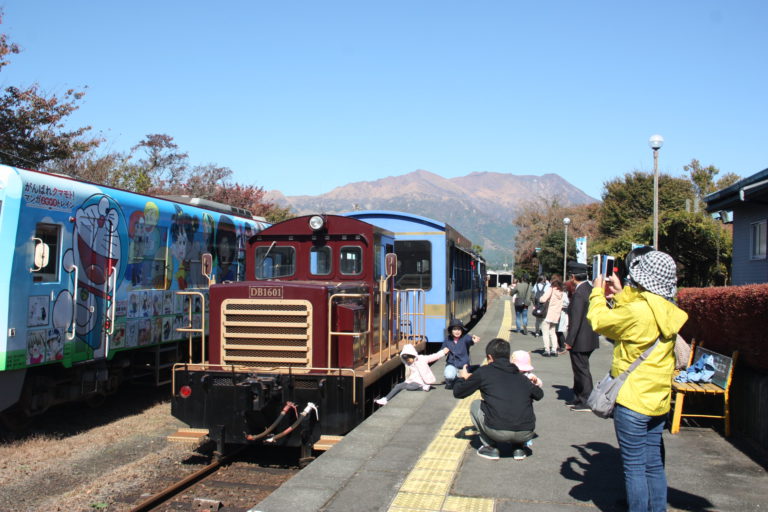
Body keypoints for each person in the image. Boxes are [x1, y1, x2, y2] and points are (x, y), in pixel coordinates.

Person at [587, 250, 688, 512]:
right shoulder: (668, 309)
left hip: (632, 400)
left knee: (633, 469)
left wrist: (598, 292)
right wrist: (622, 293)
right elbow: (638, 310)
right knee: (653, 465)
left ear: (641, 278)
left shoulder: (637, 312)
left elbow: (599, 321)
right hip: (657, 400)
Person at [453, 338, 543, 461]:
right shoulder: (520, 375)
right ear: (508, 356)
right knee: (519, 401)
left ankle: (490, 447)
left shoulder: (484, 372)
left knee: (476, 404)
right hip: (526, 432)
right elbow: (539, 394)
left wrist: (463, 378)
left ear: (489, 357)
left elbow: (458, 392)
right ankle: (518, 448)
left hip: (497, 432)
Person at [564, 261, 599, 411]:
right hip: (590, 336)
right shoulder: (590, 289)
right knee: (580, 368)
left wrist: (569, 341)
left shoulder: (579, 293)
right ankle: (578, 397)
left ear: (573, 277)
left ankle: (586, 400)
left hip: (580, 339)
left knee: (582, 370)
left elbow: (576, 319)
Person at [375, 344, 448, 405]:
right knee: (398, 386)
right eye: (406, 360)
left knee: (408, 387)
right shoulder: (409, 363)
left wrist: (443, 352)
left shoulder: (422, 358)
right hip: (413, 380)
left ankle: (423, 387)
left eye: (409, 359)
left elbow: (433, 356)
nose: (408, 361)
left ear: (413, 355)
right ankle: (386, 399)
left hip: (421, 381)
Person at [441, 319, 480, 389]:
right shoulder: (447, 339)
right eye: (455, 329)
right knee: (449, 375)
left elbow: (470, 340)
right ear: (451, 330)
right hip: (451, 364)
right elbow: (442, 350)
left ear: (462, 330)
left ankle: (463, 374)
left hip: (463, 366)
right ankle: (450, 380)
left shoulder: (465, 337)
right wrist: (443, 351)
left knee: (465, 382)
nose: (457, 331)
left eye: (459, 329)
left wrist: (474, 339)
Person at [538, 275, 565, 357]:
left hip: (548, 314)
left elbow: (543, 299)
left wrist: (540, 298)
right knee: (553, 332)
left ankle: (547, 350)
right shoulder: (561, 291)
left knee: (545, 332)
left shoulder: (551, 289)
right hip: (556, 314)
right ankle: (554, 349)